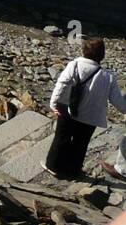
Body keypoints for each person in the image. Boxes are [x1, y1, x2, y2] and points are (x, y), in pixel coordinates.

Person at [44, 36, 126, 180]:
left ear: (84, 51)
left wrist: (53, 103)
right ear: (102, 55)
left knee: (61, 138)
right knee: (81, 144)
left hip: (69, 110)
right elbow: (117, 101)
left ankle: (53, 166)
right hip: (90, 117)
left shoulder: (74, 65)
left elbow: (62, 84)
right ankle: (74, 170)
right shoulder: (109, 77)